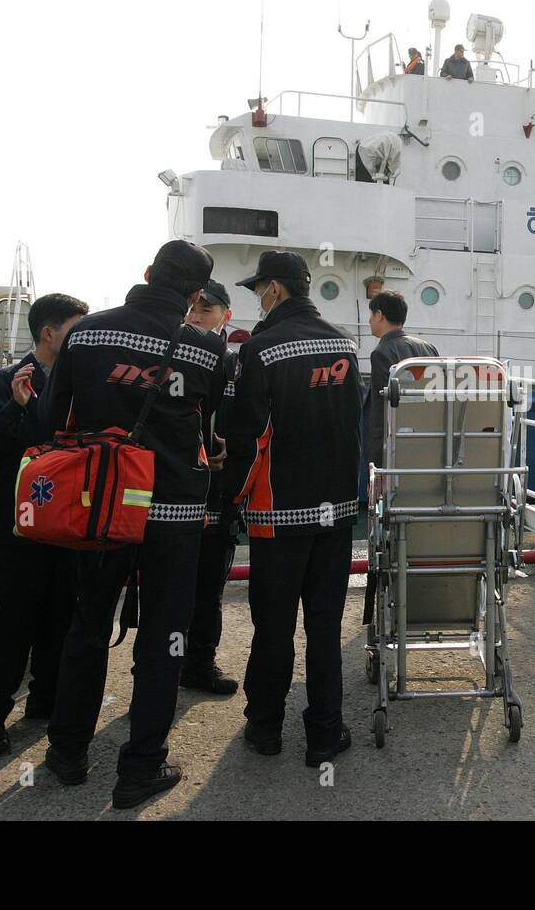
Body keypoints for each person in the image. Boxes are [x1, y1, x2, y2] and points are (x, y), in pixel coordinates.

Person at [42, 241, 225, 809]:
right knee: (165, 638)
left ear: (146, 274)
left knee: (89, 626)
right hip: (173, 515)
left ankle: (68, 752)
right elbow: (216, 433)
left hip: (102, 508)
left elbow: (51, 420)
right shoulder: (207, 349)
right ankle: (140, 769)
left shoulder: (86, 333)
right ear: (196, 295)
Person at [224, 252, 362, 767]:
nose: (257, 298)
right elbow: (352, 425)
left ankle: (265, 728)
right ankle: (325, 735)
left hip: (277, 518)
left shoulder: (260, 350)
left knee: (274, 627)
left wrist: (229, 501)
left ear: (276, 290)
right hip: (337, 513)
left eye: (259, 288)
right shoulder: (343, 343)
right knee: (325, 628)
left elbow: (247, 436)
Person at [0, 293, 88, 755]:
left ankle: (46, 699)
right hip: (18, 524)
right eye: (77, 328)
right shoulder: (5, 382)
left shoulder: (80, 386)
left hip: (67, 523)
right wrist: (15, 407)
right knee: (16, 618)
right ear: (49, 333)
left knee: (61, 612)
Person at [180, 280, 241, 695]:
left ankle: (199, 662)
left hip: (218, 488)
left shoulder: (235, 362)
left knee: (210, 585)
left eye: (207, 309)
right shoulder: (174, 352)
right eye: (195, 308)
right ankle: (156, 665)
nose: (198, 315)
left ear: (225, 315)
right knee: (168, 584)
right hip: (176, 485)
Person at [362, 289, 437, 624]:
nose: (369, 321)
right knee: (421, 526)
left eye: (371, 314)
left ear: (379, 314)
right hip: (428, 450)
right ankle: (423, 597)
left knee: (391, 530)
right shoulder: (427, 348)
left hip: (396, 455)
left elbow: (382, 413)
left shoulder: (383, 353)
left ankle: (395, 605)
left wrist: (376, 466)